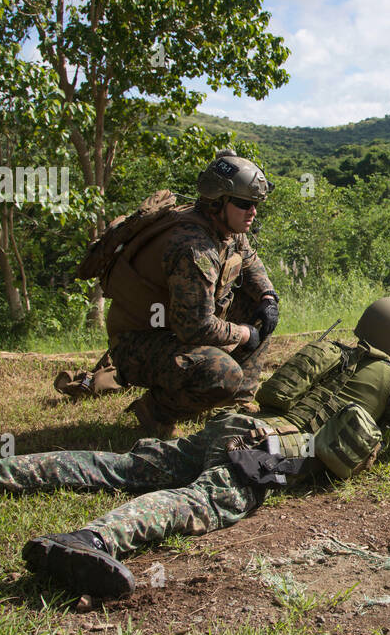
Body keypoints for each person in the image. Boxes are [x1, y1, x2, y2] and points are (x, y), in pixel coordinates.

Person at [0, 298, 390, 599]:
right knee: (196, 501)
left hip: (236, 425)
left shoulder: (327, 346)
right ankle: (90, 540)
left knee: (122, 465)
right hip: (267, 453)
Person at [105, 149, 280, 439]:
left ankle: (237, 402)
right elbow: (195, 327)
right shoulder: (193, 248)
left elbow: (250, 262)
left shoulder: (226, 226)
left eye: (255, 204)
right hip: (139, 340)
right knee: (221, 373)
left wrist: (268, 297)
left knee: (260, 311)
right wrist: (244, 334)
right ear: (219, 202)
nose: (253, 212)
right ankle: (156, 411)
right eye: (245, 204)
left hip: (172, 328)